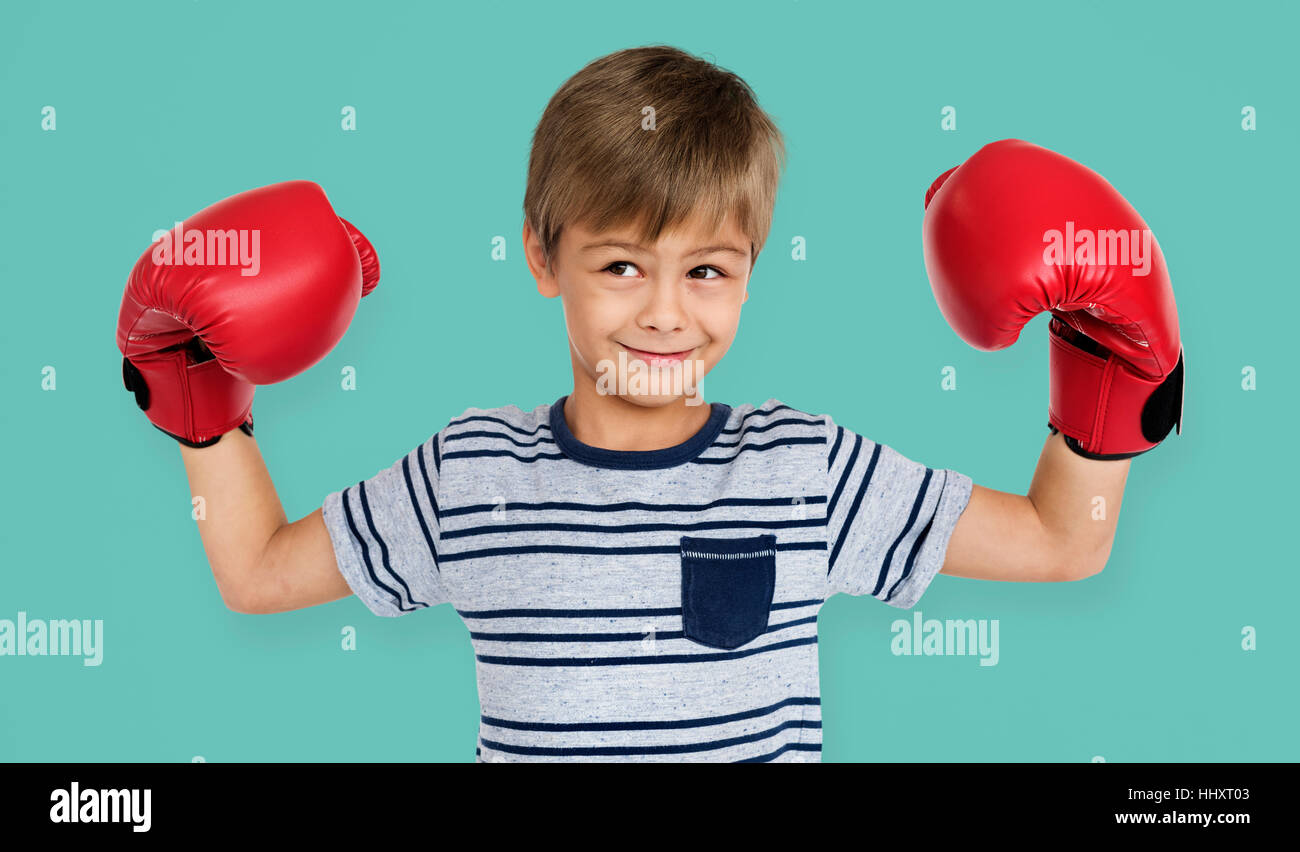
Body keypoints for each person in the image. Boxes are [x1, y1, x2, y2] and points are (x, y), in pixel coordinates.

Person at [126, 46, 1182, 763]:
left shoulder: (804, 471)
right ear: (544, 259)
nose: (667, 315)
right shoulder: (470, 473)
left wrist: (1110, 378)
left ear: (753, 272)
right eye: (622, 266)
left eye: (709, 272)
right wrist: (197, 396)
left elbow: (1059, 544)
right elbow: (258, 572)